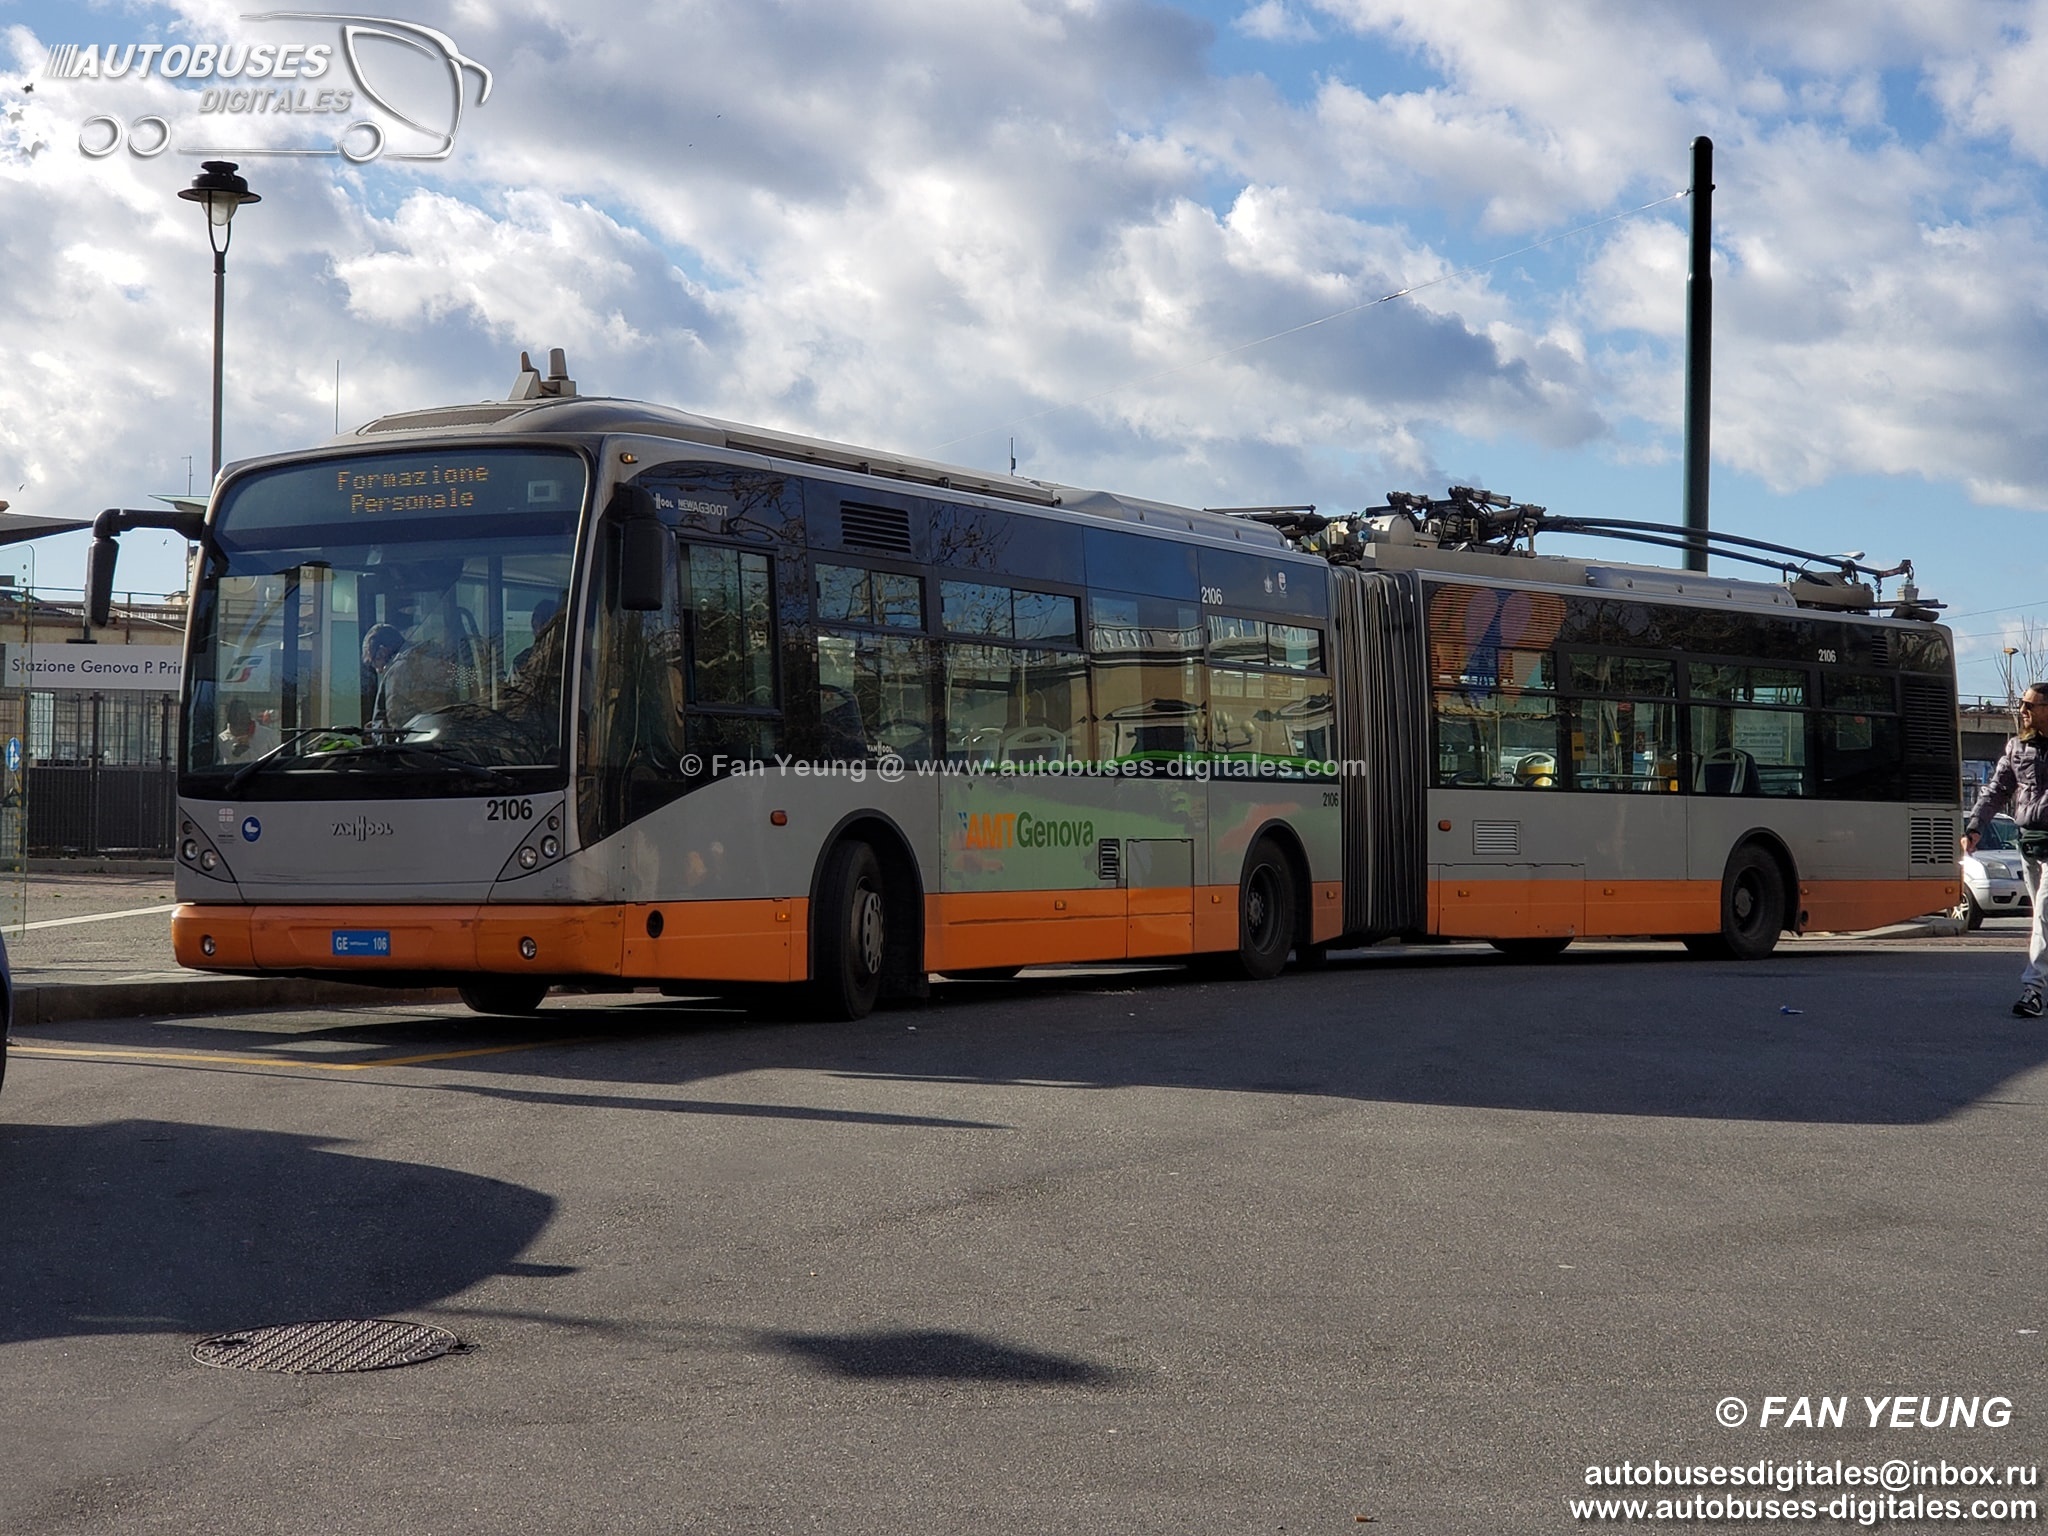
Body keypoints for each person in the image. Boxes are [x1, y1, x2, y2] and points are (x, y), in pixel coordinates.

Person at [1964, 682, 2048, 1016]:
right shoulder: (2017, 748)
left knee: (2044, 914)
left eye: (2031, 704)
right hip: (2029, 842)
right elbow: (1995, 791)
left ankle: (2034, 989)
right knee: (2042, 919)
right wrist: (1974, 828)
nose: (2023, 710)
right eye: (2021, 704)